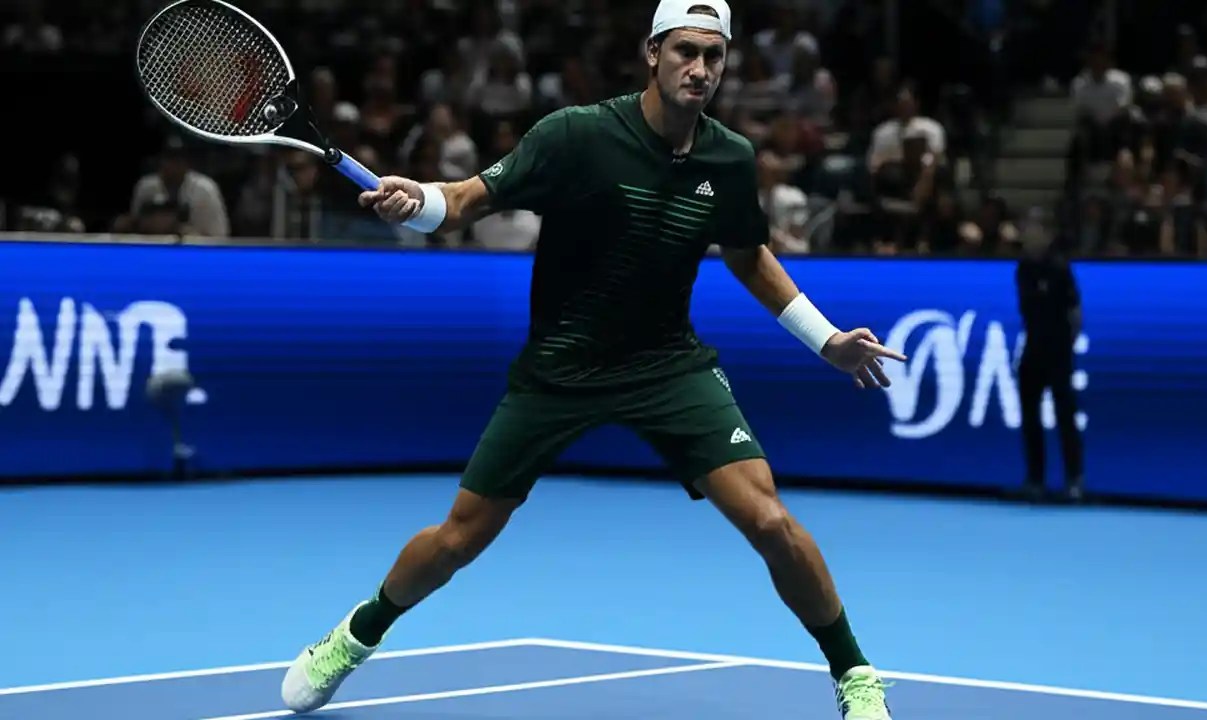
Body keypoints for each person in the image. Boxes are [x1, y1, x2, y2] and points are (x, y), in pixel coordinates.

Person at [280, 2, 904, 718]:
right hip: (560, 368)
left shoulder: (728, 157)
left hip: (668, 365)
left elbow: (747, 255)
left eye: (714, 56)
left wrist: (824, 338)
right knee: (460, 537)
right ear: (652, 52)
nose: (699, 68)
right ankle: (357, 636)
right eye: (685, 52)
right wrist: (415, 199)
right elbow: (465, 201)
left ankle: (853, 674)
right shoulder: (574, 136)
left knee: (768, 521)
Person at [1015, 211, 1085, 502]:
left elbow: (1075, 312)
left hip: (1058, 353)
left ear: (1046, 233)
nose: (1026, 234)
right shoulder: (1022, 269)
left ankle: (1074, 481)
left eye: (1032, 228)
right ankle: (1035, 480)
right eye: (1024, 229)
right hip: (1032, 350)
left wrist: (1066, 345)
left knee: (1064, 417)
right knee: (1030, 417)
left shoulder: (1059, 267)